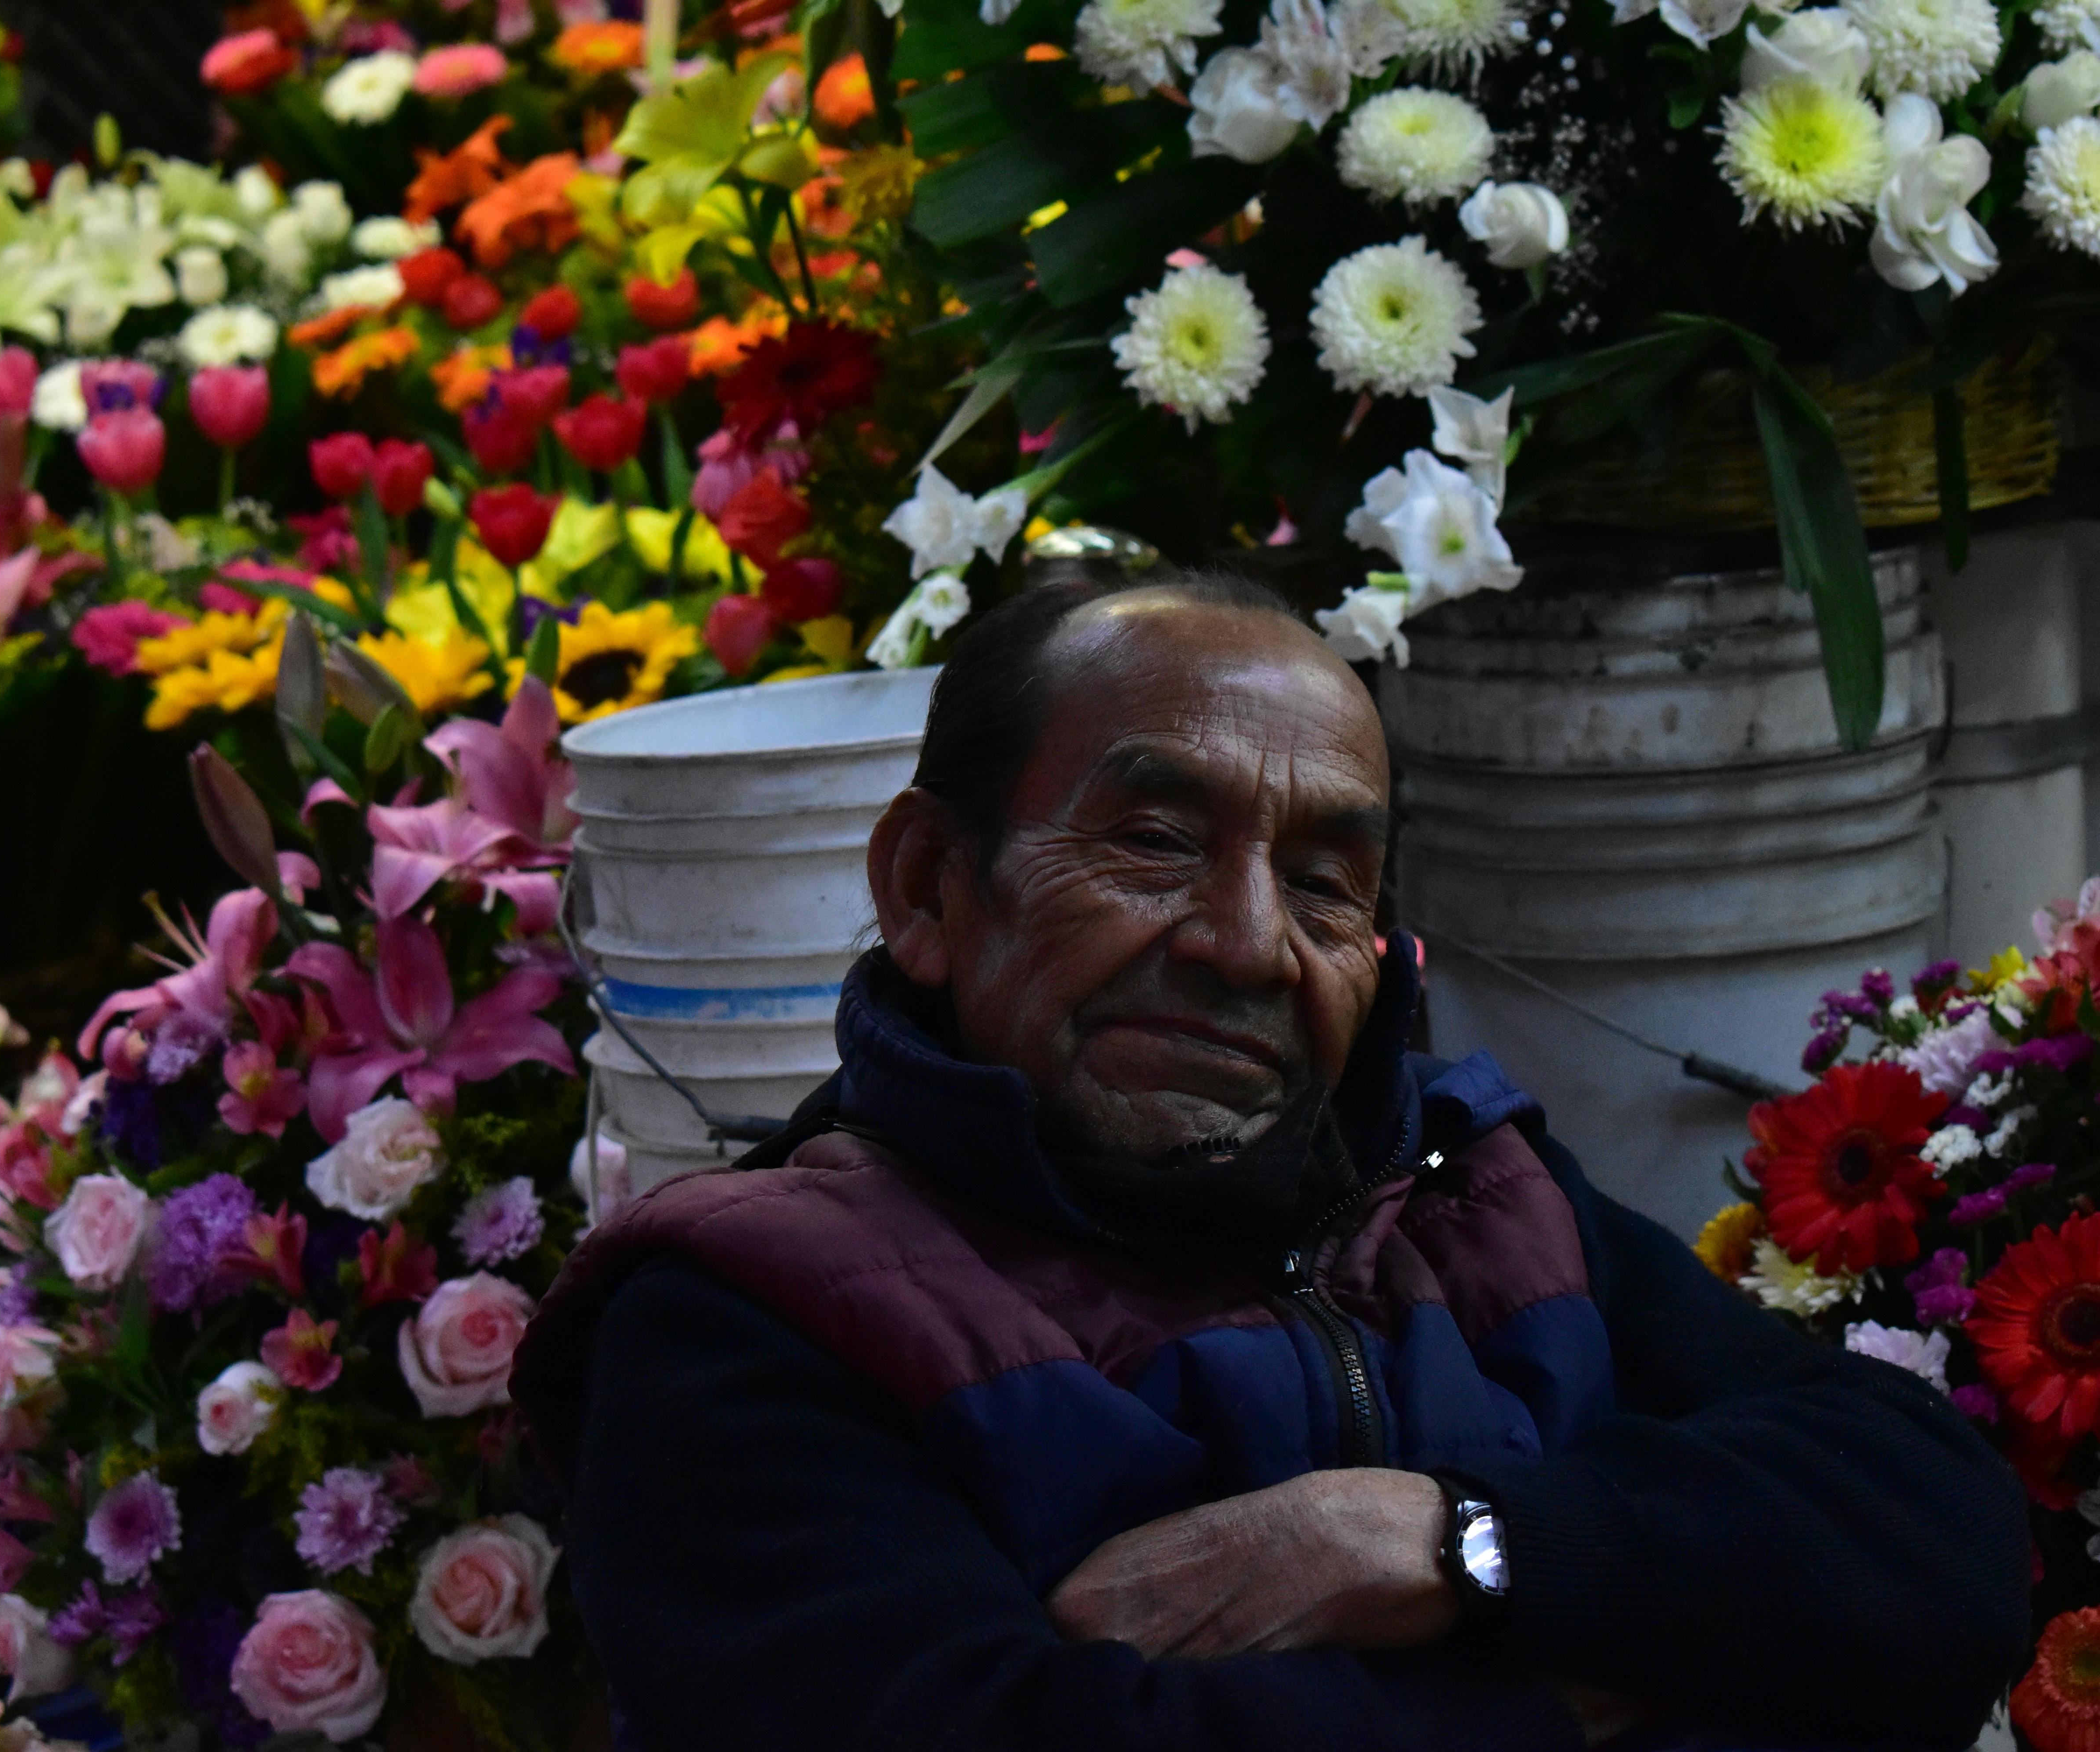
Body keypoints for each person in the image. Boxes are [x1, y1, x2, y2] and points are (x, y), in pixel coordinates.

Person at [512, 569, 2028, 1751]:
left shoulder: (1471, 1194)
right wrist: (1591, 1689)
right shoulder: (747, 1312)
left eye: (1323, 884)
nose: (1246, 946)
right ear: (927, 887)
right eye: (1156, 844)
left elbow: (1936, 1539)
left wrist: (1449, 1541)